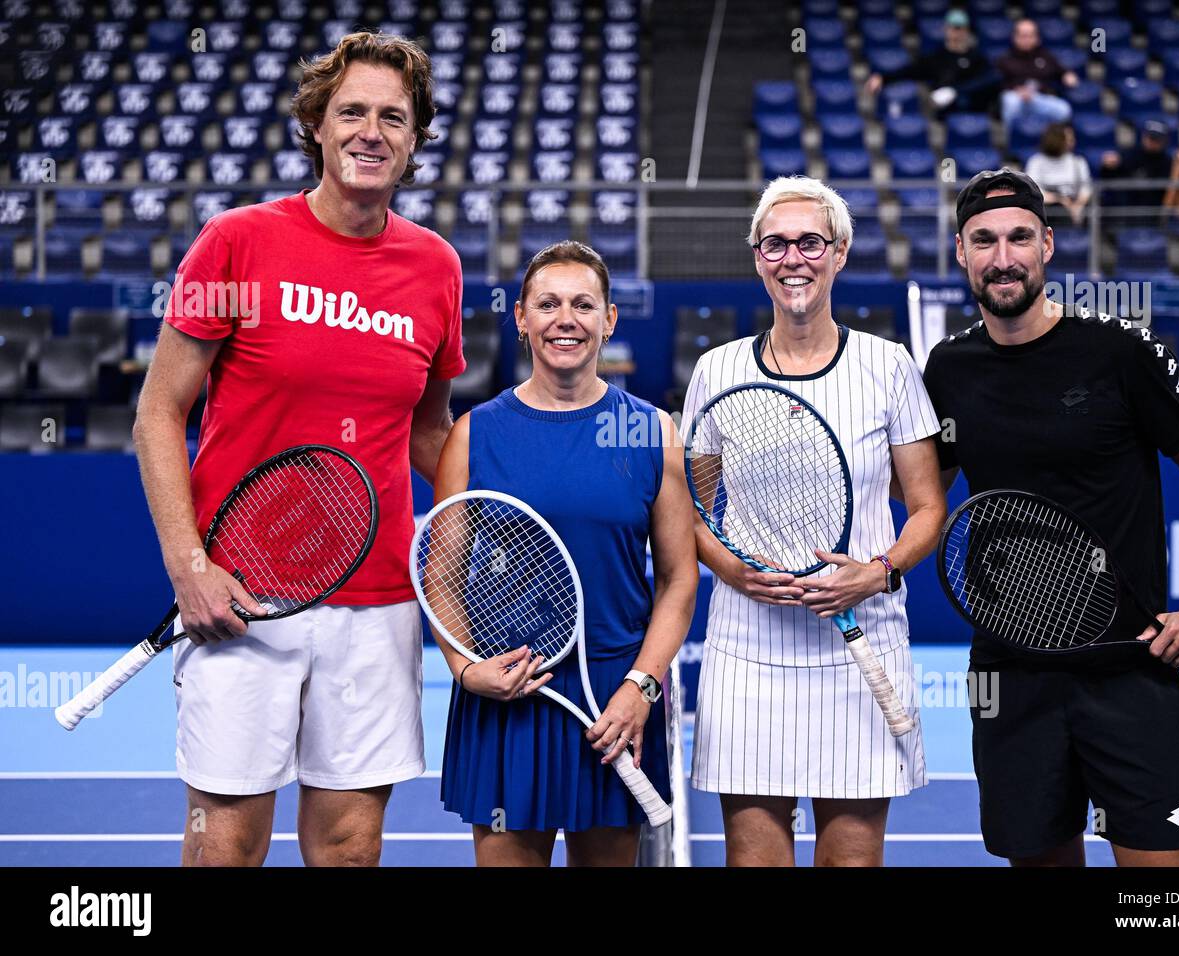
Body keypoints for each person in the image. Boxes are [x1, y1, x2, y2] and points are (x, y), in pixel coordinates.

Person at [135, 31, 465, 866]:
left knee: (350, 846)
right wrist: (190, 566)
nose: (371, 131)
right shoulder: (235, 241)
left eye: (394, 117)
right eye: (351, 111)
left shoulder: (436, 267)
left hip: (378, 600)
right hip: (242, 596)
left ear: (416, 138)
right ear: (317, 123)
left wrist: (514, 496)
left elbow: (431, 432)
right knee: (226, 846)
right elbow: (157, 413)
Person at [923, 168, 1179, 866]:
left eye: (1017, 238)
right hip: (1009, 673)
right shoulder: (946, 369)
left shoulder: (1121, 350)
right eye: (983, 240)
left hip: (1132, 667)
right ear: (960, 252)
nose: (1001, 257)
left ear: (1047, 245)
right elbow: (920, 496)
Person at [683, 176, 947, 866]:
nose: (792, 257)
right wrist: (730, 568)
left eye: (809, 242)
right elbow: (694, 510)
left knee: (850, 863)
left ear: (839, 253)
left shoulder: (889, 368)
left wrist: (878, 571)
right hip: (748, 646)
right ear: (756, 257)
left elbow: (926, 509)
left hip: (860, 640)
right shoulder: (716, 371)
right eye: (775, 244)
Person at [433, 241, 698, 866]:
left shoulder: (649, 430)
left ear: (608, 319)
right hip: (509, 689)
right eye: (547, 304)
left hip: (615, 696)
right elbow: (441, 577)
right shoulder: (475, 434)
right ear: (521, 317)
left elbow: (679, 580)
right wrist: (465, 668)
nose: (565, 320)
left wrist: (642, 687)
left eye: (583, 304)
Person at [866, 9, 999, 116]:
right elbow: (909, 71)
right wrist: (883, 78)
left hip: (973, 107)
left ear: (967, 30)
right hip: (944, 111)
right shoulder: (936, 57)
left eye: (960, 28)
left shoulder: (977, 57)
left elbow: (991, 78)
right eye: (953, 28)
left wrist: (956, 91)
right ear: (946, 29)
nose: (957, 33)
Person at [996, 18, 1078, 128]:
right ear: (1015, 37)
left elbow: (1062, 71)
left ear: (1037, 38)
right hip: (1016, 97)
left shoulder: (1045, 56)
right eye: (1023, 36)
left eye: (1030, 35)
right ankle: (1012, 139)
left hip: (1039, 98)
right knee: (1010, 102)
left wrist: (1068, 75)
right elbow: (996, 84)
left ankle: (1051, 140)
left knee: (1064, 109)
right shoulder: (1004, 59)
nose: (1027, 39)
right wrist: (1016, 90)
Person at [1100, 120, 1174, 227]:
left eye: (1157, 139)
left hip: (1154, 216)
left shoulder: (1168, 163)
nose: (1152, 142)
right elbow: (1107, 180)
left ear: (1164, 141)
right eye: (1150, 138)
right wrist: (1107, 167)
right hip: (1127, 214)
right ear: (1144, 136)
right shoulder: (1129, 155)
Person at [1025, 122, 1091, 226]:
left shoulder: (1078, 162)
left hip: (1074, 204)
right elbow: (1033, 190)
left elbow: (1085, 188)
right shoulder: (1036, 162)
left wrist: (1078, 205)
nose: (1073, 142)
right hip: (1049, 208)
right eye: (1068, 139)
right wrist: (1059, 200)